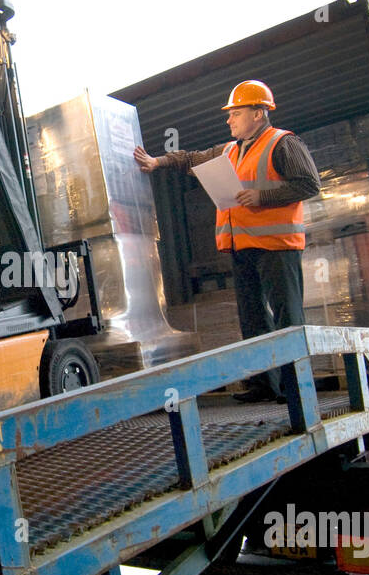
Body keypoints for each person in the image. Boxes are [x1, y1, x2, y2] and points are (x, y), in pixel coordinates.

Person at [134, 79, 320, 401]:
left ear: (258, 114)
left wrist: (262, 196)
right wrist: (157, 162)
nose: (228, 120)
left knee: (288, 318)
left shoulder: (282, 143)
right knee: (252, 319)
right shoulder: (230, 150)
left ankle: (297, 389)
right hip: (242, 247)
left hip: (277, 247)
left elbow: (309, 185)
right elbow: (191, 158)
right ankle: (265, 385)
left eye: (235, 113)